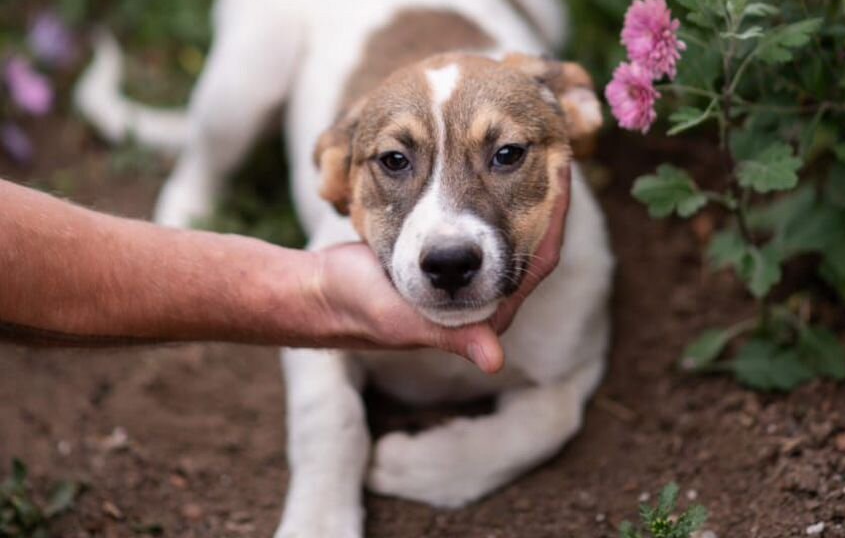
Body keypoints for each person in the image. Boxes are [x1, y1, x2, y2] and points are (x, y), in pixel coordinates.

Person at [0, 172, 569, 374]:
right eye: (395, 162)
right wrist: (318, 294)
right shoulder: (353, 213)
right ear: (335, 173)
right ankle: (197, 179)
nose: (447, 243)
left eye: (508, 154)